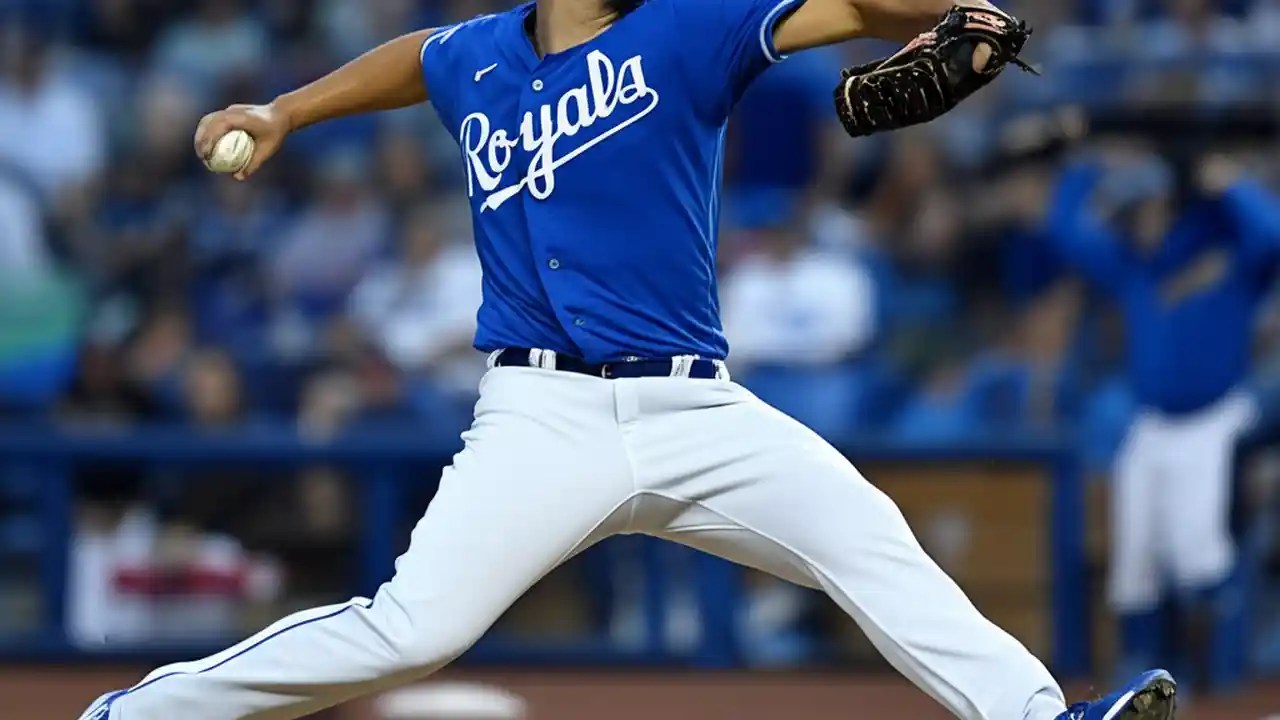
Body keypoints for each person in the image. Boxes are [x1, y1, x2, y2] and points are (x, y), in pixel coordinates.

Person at [81, 2, 1174, 719]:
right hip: (536, 417)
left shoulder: (686, 28)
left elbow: (843, 5)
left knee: (864, 537)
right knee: (412, 633)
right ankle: (138, 714)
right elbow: (416, 59)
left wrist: (940, 7)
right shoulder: (480, 55)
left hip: (694, 411)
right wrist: (284, 109)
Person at [1047, 154, 1280, 689]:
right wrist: (1082, 163)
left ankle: (1222, 672)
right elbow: (1066, 234)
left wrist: (1233, 185)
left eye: (1146, 211)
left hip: (1215, 420)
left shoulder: (1225, 251)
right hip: (1152, 425)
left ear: (1173, 207)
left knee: (1199, 557)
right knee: (1135, 561)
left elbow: (1271, 237)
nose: (1136, 223)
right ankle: (1146, 672)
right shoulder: (1133, 265)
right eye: (1129, 215)